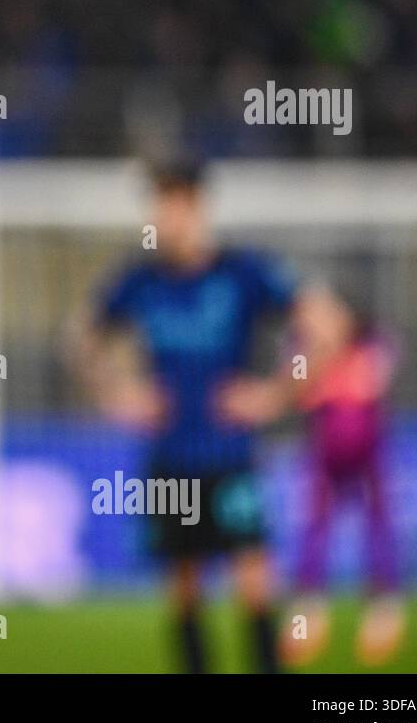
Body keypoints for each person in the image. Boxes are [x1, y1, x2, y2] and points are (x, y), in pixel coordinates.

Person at [72, 158, 312, 673]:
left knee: (254, 583)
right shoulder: (140, 281)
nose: (163, 216)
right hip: (170, 460)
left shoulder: (242, 273)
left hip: (231, 458)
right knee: (183, 592)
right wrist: (119, 395)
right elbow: (81, 338)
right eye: (157, 204)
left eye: (173, 204)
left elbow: (319, 325)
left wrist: (274, 393)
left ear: (198, 207)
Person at [280, 285, 404, 667]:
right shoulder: (301, 350)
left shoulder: (373, 344)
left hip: (368, 449)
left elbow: (372, 382)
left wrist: (336, 352)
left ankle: (383, 609)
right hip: (323, 451)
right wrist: (318, 352)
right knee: (315, 528)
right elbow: (297, 390)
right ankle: (308, 613)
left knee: (378, 525)